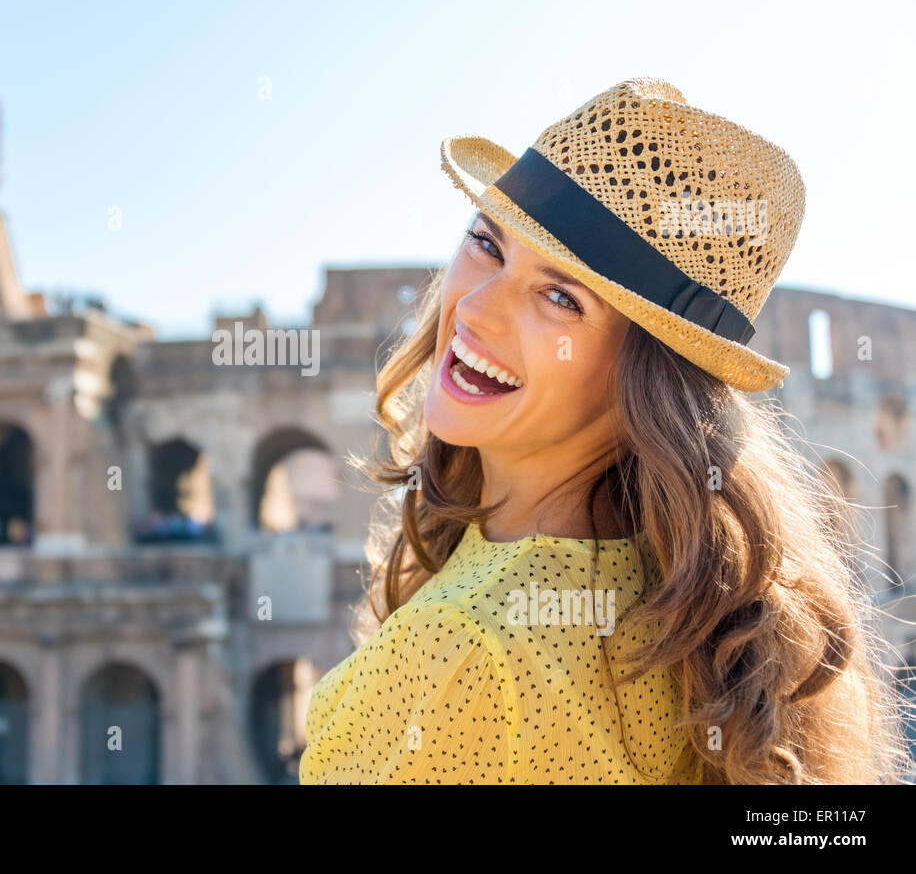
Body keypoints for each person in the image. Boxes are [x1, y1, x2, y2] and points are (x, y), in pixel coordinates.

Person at [298, 77, 913, 784]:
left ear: (643, 377)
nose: (476, 308)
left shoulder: (460, 652)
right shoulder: (687, 612)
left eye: (560, 297)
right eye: (487, 242)